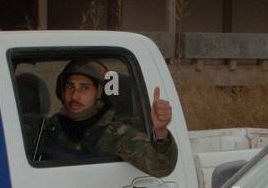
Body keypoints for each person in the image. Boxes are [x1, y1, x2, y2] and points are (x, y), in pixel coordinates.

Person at [32, 58, 178, 176]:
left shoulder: (115, 133)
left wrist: (160, 132)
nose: (75, 96)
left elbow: (160, 166)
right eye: (70, 87)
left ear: (99, 94)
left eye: (84, 87)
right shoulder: (49, 127)